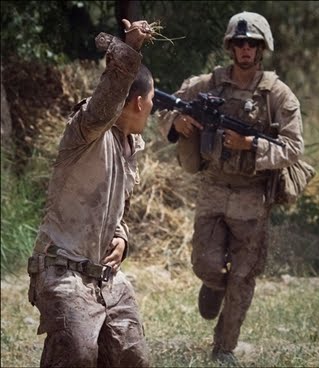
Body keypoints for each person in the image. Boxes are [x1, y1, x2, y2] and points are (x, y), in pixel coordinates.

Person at [159, 11, 304, 363]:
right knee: (204, 264)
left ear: (262, 49)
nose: (245, 50)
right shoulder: (206, 84)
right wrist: (180, 122)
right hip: (213, 187)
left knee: (243, 276)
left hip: (253, 196)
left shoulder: (279, 95)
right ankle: (212, 286)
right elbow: (164, 110)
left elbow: (294, 148)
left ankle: (223, 349)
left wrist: (250, 145)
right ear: (229, 47)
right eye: (239, 43)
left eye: (252, 44)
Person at [26, 19, 154, 367]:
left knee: (132, 358)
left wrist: (122, 238)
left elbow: (114, 211)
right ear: (140, 103)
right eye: (153, 100)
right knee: (78, 354)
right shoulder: (86, 130)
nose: (153, 109)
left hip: (106, 277)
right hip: (62, 270)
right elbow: (105, 102)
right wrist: (130, 52)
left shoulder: (132, 148)